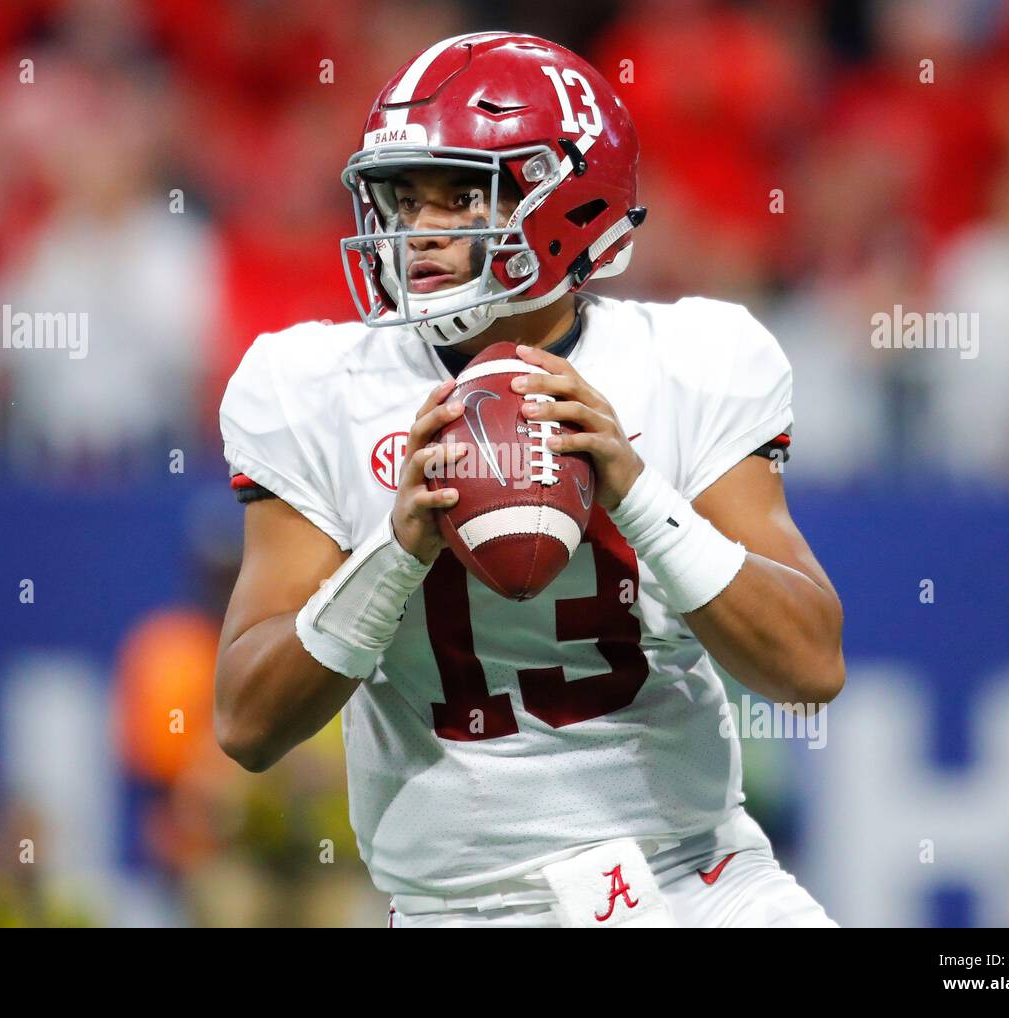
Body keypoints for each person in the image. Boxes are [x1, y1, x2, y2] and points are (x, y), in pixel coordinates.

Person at [215, 31, 844, 928]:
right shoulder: (312, 387)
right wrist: (392, 555)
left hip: (695, 882)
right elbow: (247, 722)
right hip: (459, 910)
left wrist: (637, 493)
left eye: (462, 194)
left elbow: (810, 663)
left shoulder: (693, 361)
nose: (419, 230)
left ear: (570, 200)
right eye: (403, 198)